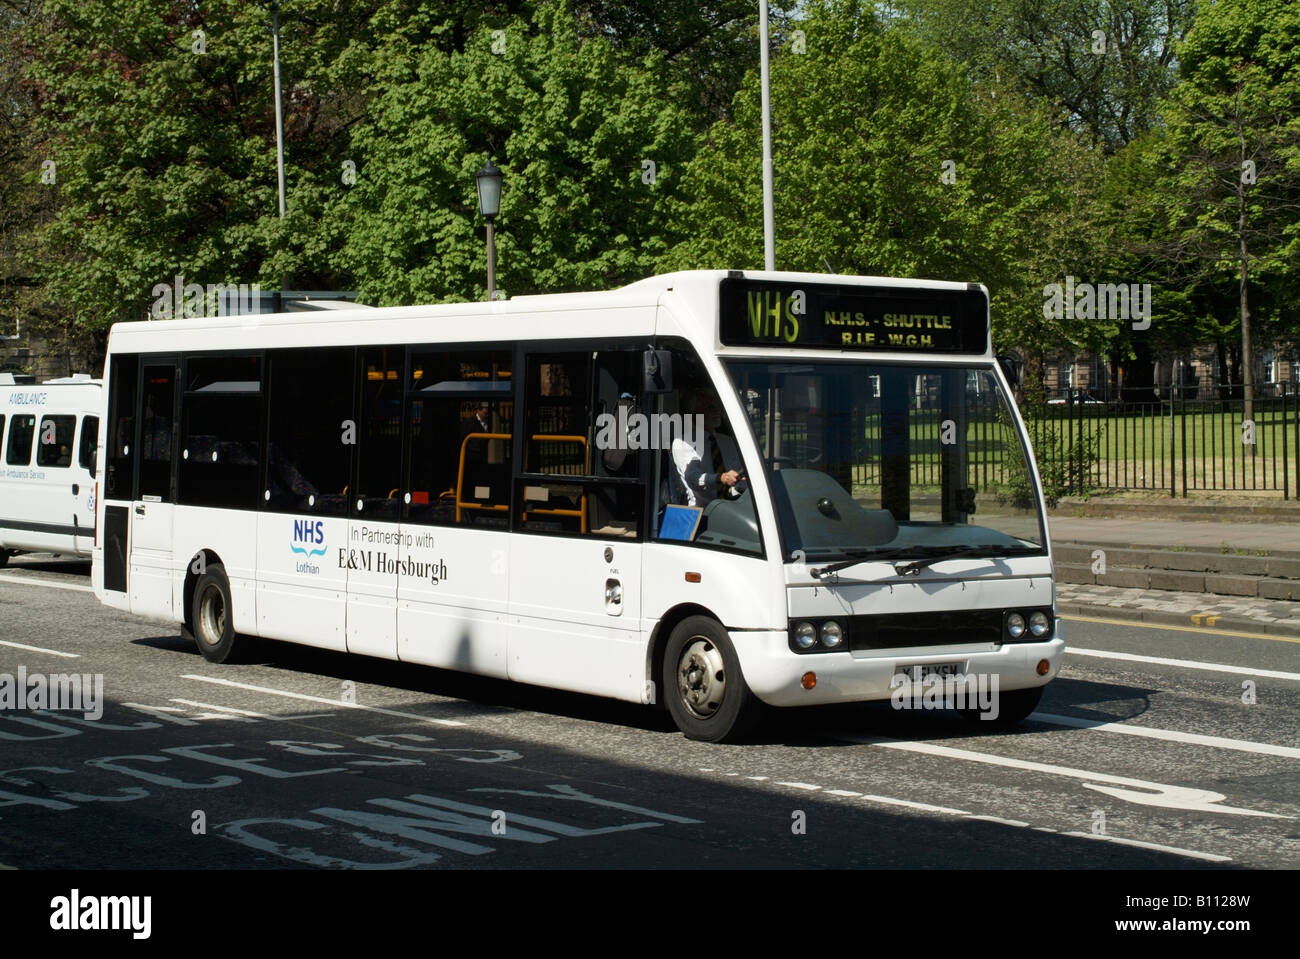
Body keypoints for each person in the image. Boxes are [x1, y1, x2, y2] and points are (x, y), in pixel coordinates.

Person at [672, 388, 743, 508]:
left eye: (718, 406)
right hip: (703, 514)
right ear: (694, 412)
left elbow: (737, 475)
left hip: (734, 509)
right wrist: (721, 478)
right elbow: (693, 478)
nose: (717, 410)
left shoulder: (728, 442)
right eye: (710, 407)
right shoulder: (684, 442)